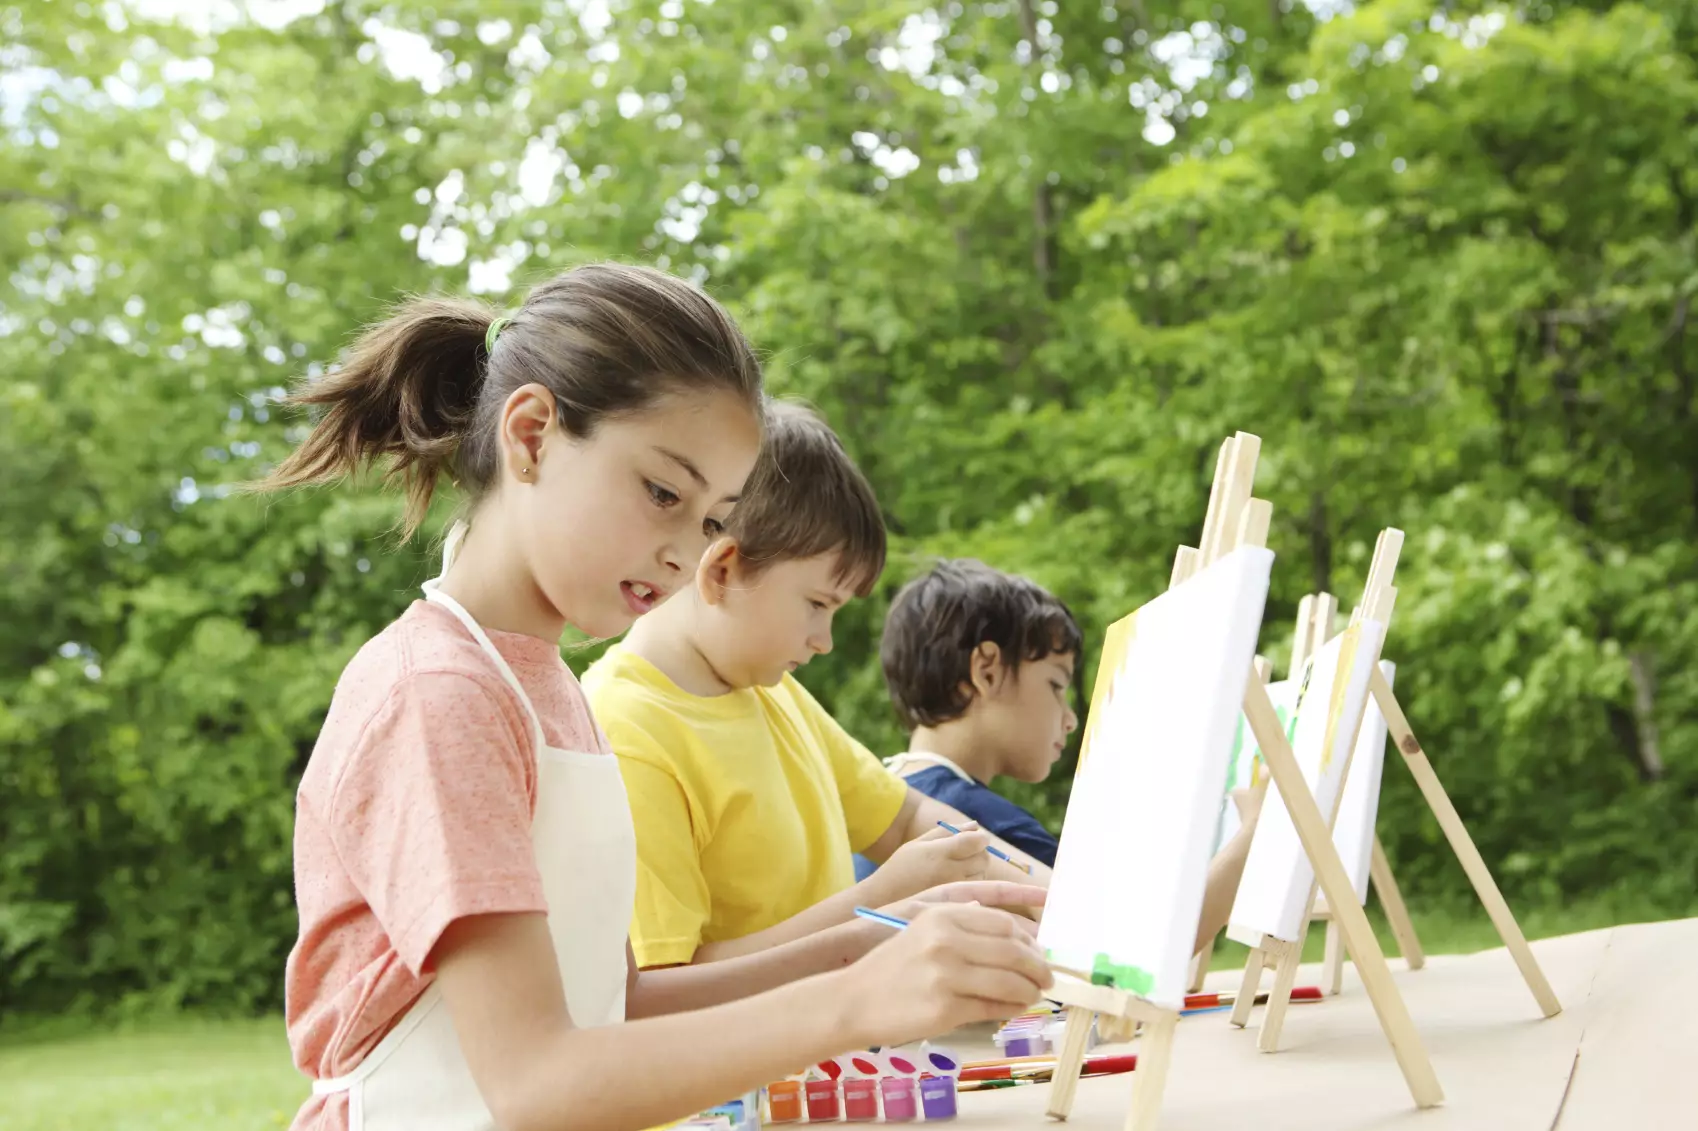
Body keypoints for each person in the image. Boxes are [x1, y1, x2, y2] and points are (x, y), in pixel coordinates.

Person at [258, 264, 1051, 1131]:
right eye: (663, 492)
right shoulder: (439, 695)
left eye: (713, 519)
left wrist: (874, 933)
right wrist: (856, 999)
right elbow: (534, 1082)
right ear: (531, 437)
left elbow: (618, 1002)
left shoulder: (546, 684)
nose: (684, 551)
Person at [584, 401, 1051, 973]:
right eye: (816, 605)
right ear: (723, 571)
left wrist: (1058, 904)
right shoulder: (626, 730)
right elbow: (668, 986)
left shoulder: (771, 691)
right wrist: (878, 900)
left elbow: (906, 821)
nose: (824, 640)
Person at [870, 558, 1083, 871]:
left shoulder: (866, 808)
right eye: (1055, 684)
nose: (1071, 719)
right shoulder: (996, 833)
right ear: (987, 672)